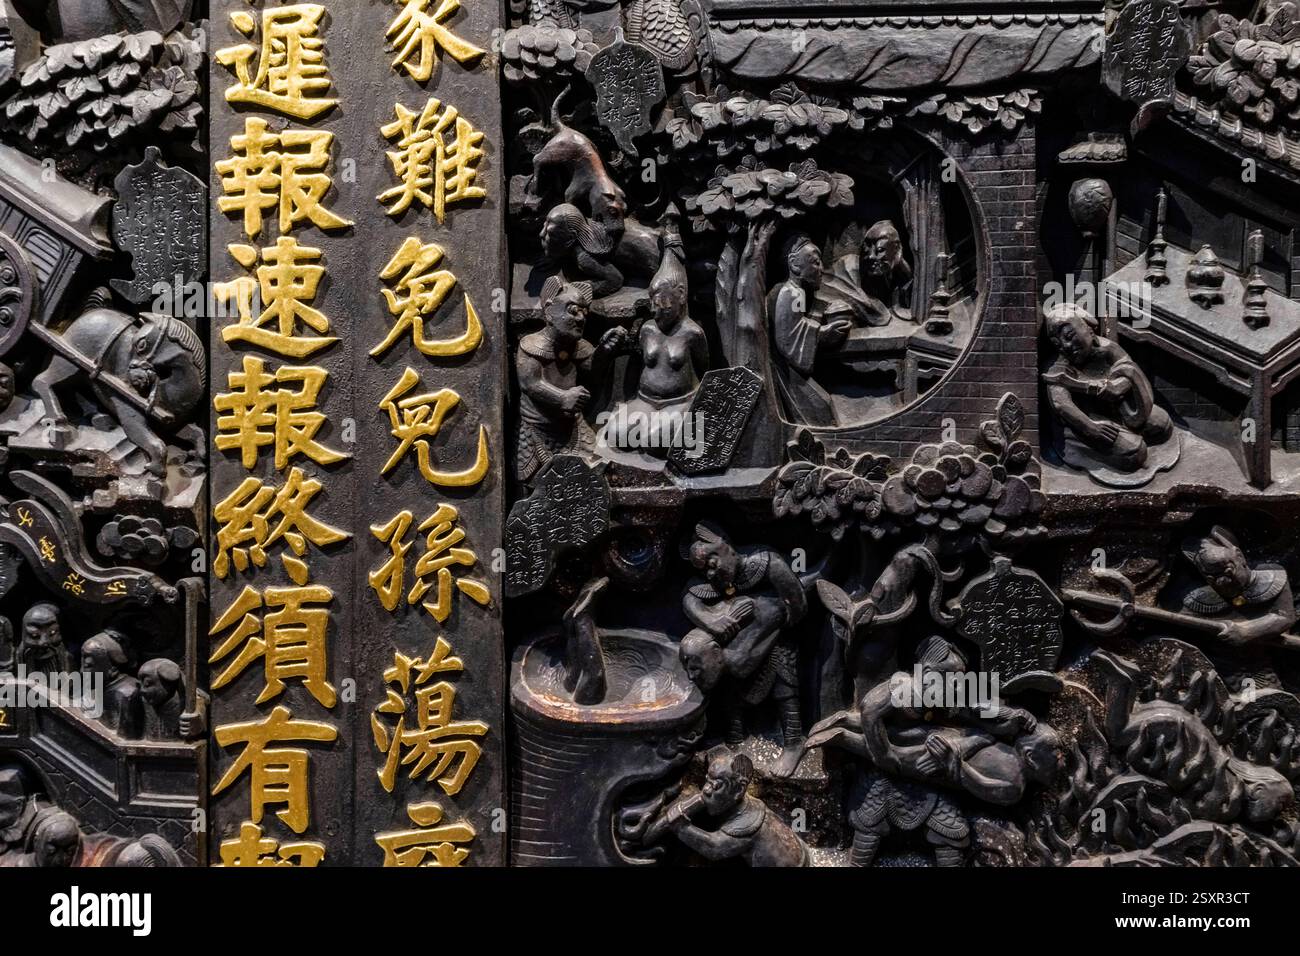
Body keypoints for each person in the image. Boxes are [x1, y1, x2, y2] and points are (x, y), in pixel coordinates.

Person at [680, 521, 808, 776]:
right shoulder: (712, 582)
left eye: (713, 563)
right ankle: (735, 739)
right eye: (705, 570)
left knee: (784, 684)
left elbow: (796, 600)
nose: (711, 573)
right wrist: (712, 621)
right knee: (728, 679)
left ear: (725, 545)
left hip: (775, 636)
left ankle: (794, 741)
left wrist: (770, 622)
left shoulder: (765, 563)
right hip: (739, 642)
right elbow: (689, 598)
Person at [514, 276, 627, 485]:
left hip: (573, 427)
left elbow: (591, 371)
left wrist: (604, 351)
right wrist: (561, 397)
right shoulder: (530, 345)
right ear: (549, 311)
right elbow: (529, 384)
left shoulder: (578, 346)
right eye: (573, 310)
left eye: (584, 312)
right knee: (540, 486)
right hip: (538, 430)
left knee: (598, 471)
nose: (581, 318)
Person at [611, 214, 708, 454]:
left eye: (663, 303)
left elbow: (704, 371)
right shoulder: (647, 329)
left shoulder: (692, 333)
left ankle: (678, 427)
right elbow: (635, 364)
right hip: (645, 401)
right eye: (653, 304)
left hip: (679, 403)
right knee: (618, 435)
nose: (656, 311)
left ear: (681, 296)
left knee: (655, 442)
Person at [1042, 302, 1172, 473]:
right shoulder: (1059, 369)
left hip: (1117, 409)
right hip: (1086, 421)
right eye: (1057, 344)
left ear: (1088, 328)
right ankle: (1085, 452)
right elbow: (1062, 405)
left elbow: (1128, 369)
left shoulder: (1107, 348)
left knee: (1161, 424)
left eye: (1069, 335)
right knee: (1134, 453)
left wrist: (1118, 386)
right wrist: (1091, 428)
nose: (1065, 346)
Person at [640, 749, 808, 866]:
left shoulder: (747, 826)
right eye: (708, 780)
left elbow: (714, 848)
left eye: (717, 785)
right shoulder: (750, 805)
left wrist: (681, 826)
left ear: (739, 789)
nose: (706, 788)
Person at [770, 234, 850, 425]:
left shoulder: (794, 292)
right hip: (786, 373)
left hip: (787, 369)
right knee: (821, 406)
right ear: (795, 265)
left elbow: (798, 323)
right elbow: (788, 338)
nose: (821, 269)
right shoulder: (792, 293)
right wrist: (824, 333)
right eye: (815, 263)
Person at [822, 220, 914, 327]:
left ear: (896, 249)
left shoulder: (899, 272)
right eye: (866, 250)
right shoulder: (847, 268)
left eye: (880, 250)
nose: (871, 256)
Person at [80, 631, 142, 739]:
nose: (81, 671)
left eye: (88, 665)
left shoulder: (127, 694)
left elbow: (126, 739)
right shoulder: (96, 689)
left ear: (113, 669)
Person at [18, 602, 67, 674]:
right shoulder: (22, 654)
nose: (44, 643)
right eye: (35, 635)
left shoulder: (61, 651)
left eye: (52, 633)